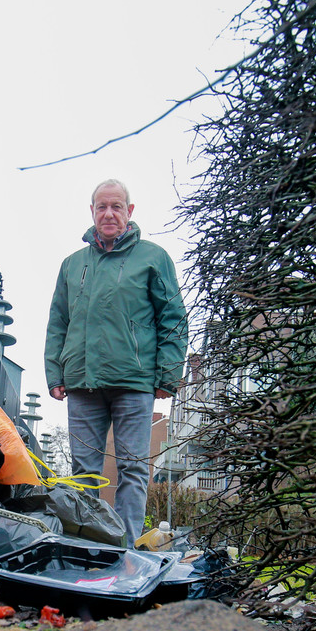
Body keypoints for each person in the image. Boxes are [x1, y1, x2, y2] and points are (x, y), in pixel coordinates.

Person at [44, 179, 188, 546]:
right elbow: (59, 321)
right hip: (82, 380)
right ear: (92, 211)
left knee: (133, 468)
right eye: (102, 207)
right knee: (83, 472)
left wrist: (168, 375)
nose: (109, 213)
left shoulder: (153, 258)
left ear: (129, 211)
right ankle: (86, 546)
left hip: (134, 381)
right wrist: (54, 372)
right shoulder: (72, 264)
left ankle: (126, 550)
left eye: (116, 206)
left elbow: (173, 318)